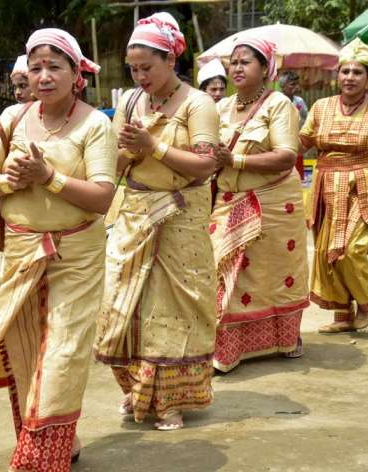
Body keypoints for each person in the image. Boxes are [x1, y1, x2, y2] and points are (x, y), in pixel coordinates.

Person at [0, 28, 115, 470]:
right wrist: (10, 181)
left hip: (76, 254)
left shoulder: (95, 124)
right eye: (36, 67)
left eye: (54, 66)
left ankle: (41, 454)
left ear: (77, 75)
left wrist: (49, 177)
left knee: (64, 350)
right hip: (21, 251)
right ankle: (59, 436)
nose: (43, 76)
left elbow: (102, 197)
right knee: (22, 348)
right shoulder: (13, 119)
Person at [94, 12, 218, 429]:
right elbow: (115, 163)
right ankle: (136, 390)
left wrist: (155, 148)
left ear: (171, 60)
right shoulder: (129, 102)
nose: (139, 76)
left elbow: (204, 167)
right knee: (121, 305)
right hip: (133, 214)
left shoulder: (198, 103)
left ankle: (170, 401)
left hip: (181, 217)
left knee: (171, 310)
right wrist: (131, 153)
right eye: (133, 69)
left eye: (147, 67)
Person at [209, 37, 308, 372]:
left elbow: (286, 156)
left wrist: (233, 160)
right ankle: (228, 346)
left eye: (245, 61)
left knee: (274, 274)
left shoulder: (279, 104)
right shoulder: (220, 107)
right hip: (226, 201)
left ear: (265, 69)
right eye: (233, 61)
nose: (236, 67)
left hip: (273, 203)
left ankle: (285, 337)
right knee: (221, 269)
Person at [300, 38, 368, 333]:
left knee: (349, 249)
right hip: (325, 184)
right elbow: (302, 141)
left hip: (364, 184)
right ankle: (342, 314)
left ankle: (366, 303)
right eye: (345, 71)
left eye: (358, 72)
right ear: (338, 76)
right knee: (324, 252)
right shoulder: (321, 107)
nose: (350, 77)